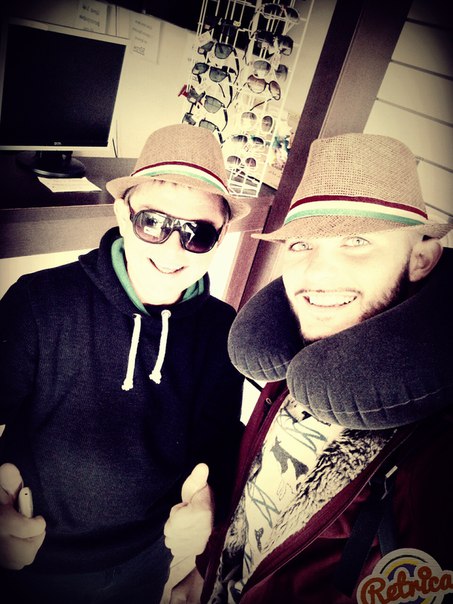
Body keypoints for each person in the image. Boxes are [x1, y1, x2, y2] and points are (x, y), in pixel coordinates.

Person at [164, 133, 453, 603]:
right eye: (301, 244)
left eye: (356, 241)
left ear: (420, 259)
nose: (317, 275)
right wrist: (206, 571)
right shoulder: (293, 362)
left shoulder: (434, 454)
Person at [0, 123, 250, 604]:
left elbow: (216, 444)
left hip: (146, 562)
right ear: (122, 211)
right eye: (153, 223)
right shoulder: (39, 302)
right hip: (32, 557)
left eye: (197, 233)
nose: (172, 250)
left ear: (220, 238)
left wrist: (210, 503)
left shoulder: (223, 329)